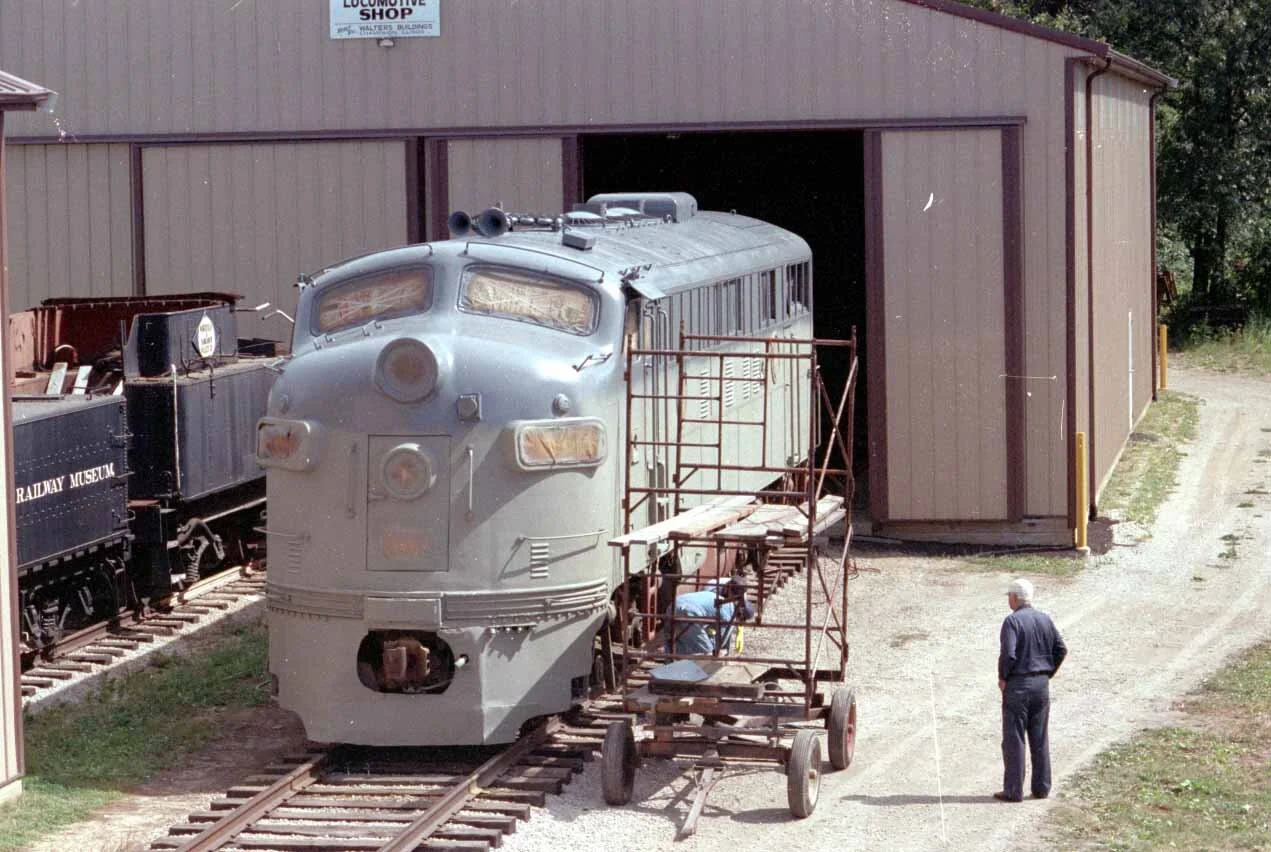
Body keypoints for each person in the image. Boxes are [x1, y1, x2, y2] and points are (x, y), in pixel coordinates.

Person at [995, 577, 1067, 803]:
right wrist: (1047, 674)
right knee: (1039, 737)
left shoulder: (1012, 622)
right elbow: (1061, 649)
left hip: (1018, 685)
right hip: (1041, 685)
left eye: (1009, 596)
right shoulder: (1045, 619)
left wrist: (1003, 677)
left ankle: (1013, 790)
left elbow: (1009, 654)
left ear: (1014, 598)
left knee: (1014, 738)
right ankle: (1042, 787)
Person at [668, 576, 755, 656]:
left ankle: (668, 659)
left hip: (672, 606)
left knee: (680, 637)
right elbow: (718, 643)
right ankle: (666, 651)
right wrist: (718, 650)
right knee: (706, 650)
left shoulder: (740, 596)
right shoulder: (712, 589)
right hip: (687, 612)